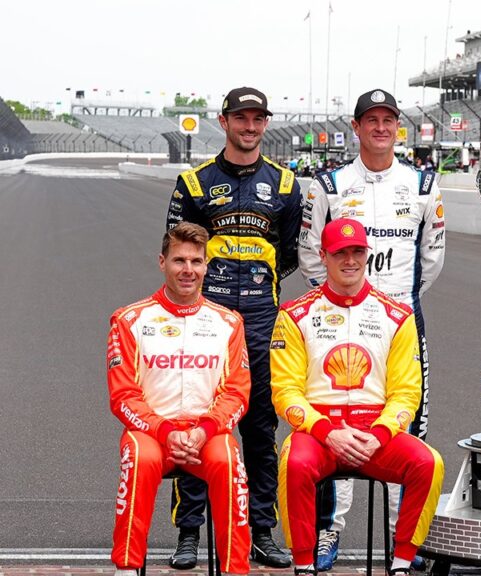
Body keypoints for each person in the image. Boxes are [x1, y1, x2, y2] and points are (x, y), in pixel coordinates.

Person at [298, 88, 445, 570]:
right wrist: (341, 303)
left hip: (401, 323)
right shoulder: (329, 184)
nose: (381, 128)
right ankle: (329, 532)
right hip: (338, 324)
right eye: (371, 120)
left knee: (411, 425)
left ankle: (407, 540)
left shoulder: (424, 184)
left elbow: (432, 260)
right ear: (356, 127)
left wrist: (389, 307)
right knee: (334, 421)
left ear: (397, 127)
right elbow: (308, 254)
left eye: (389, 120)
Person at [166, 86, 300, 569]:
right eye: (241, 118)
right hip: (205, 323)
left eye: (258, 119)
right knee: (195, 422)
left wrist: (254, 295)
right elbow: (181, 252)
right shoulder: (194, 183)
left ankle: (262, 531)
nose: (250, 127)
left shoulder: (285, 184)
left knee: (261, 430)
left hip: (263, 321)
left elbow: (288, 257)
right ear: (223, 122)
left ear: (265, 123)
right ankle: (188, 533)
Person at [272, 218, 445, 576]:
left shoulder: (398, 316)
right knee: (293, 463)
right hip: (318, 431)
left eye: (357, 252)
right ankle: (303, 565)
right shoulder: (294, 314)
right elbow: (285, 391)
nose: (349, 260)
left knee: (429, 463)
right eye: (340, 253)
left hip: (374, 432)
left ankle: (400, 564)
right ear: (323, 256)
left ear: (367, 254)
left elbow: (406, 392)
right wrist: (327, 431)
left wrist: (379, 434)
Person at [107, 223, 252, 576]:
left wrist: (203, 430)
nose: (188, 270)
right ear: (162, 262)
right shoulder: (129, 320)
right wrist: (165, 431)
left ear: (206, 265)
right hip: (152, 434)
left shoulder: (229, 323)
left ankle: (236, 570)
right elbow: (123, 395)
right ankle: (126, 569)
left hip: (207, 434)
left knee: (231, 459)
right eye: (179, 260)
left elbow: (237, 392)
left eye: (196, 261)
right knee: (138, 456)